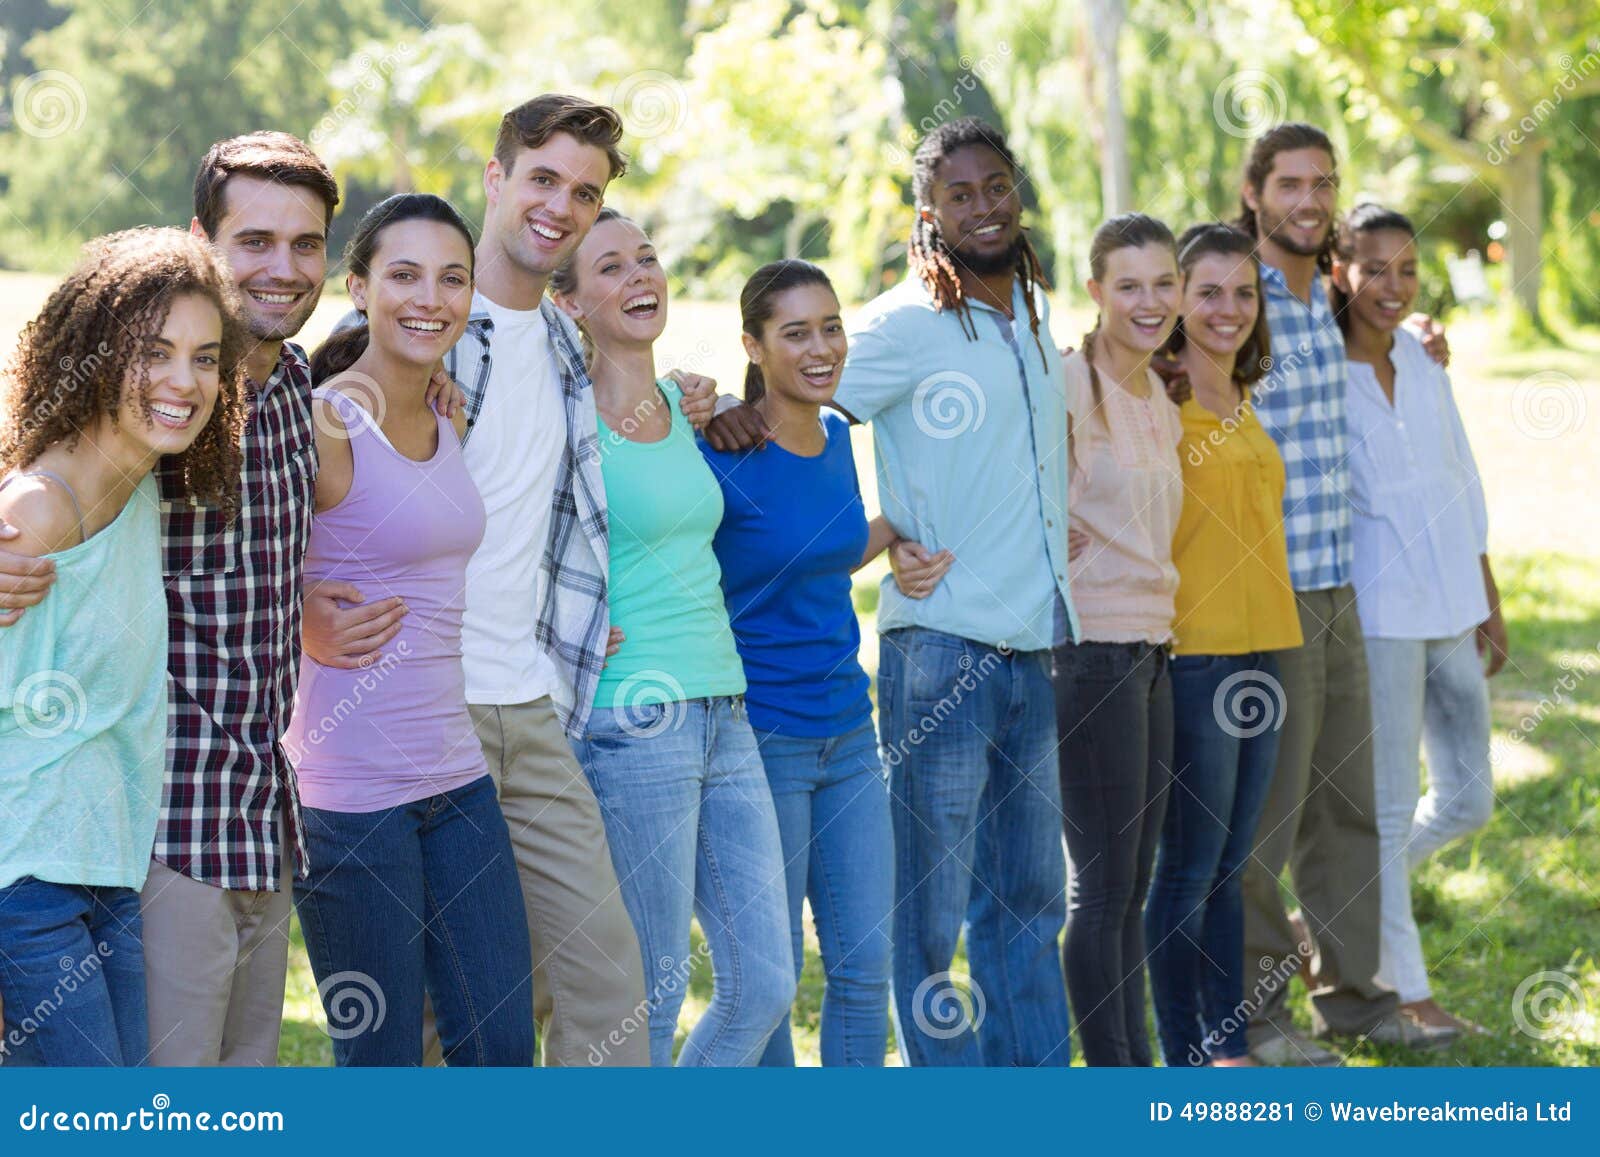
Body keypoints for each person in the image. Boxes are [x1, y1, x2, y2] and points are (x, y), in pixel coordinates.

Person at [304, 95, 717, 1067]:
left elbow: (593, 469)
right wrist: (301, 618)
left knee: (606, 979)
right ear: (496, 180)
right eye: (541, 179)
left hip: (528, 703)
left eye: (584, 192)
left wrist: (707, 398)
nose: (559, 206)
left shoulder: (570, 343)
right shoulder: (430, 328)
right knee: (442, 1019)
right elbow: (314, 476)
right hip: (410, 706)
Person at [707, 116, 1077, 1067]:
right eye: (960, 193)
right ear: (929, 212)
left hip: (1037, 640)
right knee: (925, 916)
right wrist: (736, 413)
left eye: (997, 184)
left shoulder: (1032, 308)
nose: (984, 205)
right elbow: (807, 377)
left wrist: (894, 530)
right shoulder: (905, 321)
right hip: (942, 648)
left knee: (1030, 900)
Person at [285, 194, 534, 1066]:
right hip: (350, 798)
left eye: (452, 277)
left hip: (457, 780)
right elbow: (233, 568)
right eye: (403, 275)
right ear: (357, 287)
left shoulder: (445, 413)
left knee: (501, 1047)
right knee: (382, 1063)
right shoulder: (326, 421)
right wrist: (299, 619)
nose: (430, 296)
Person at [1232, 122, 1455, 1062]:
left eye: (1323, 182)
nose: (1310, 198)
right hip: (1263, 593)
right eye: (1290, 182)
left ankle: (1358, 996)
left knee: (1349, 804)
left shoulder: (1324, 296)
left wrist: (1425, 339)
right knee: (1265, 818)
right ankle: (1258, 1014)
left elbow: (1381, 335)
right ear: (1252, 193)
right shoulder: (1230, 295)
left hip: (1338, 585)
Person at [551, 209, 794, 1066]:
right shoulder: (562, 420)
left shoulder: (681, 405)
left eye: (647, 258)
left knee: (764, 984)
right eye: (610, 268)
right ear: (571, 302)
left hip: (726, 706)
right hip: (630, 718)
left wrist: (717, 399)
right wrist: (562, 634)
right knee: (643, 998)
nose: (639, 276)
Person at [0, 228, 246, 1065]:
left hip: (106, 876)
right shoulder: (36, 514)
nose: (186, 381)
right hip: (22, 886)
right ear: (98, 350)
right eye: (156, 351)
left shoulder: (144, 487)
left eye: (206, 357)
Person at [702, 260, 920, 1066]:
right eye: (796, 332)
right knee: (769, 978)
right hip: (762, 742)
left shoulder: (835, 437)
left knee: (865, 970)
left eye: (831, 326)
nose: (822, 346)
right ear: (753, 346)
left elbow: (812, 557)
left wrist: (893, 530)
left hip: (849, 735)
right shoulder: (720, 450)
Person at [1332, 203, 1505, 1037]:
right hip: (1382, 614)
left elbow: (1459, 476)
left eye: (1406, 270)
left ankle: (1334, 913)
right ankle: (1406, 990)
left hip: (1452, 602)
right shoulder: (1324, 376)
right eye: (1374, 269)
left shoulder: (1425, 359)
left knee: (1470, 797)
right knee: (1391, 804)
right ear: (1341, 271)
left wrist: (1489, 593)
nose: (1392, 287)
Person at [1143, 223, 1302, 1067]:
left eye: (1244, 293)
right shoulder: (1157, 401)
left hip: (1268, 647)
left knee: (1234, 865)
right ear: (1176, 300)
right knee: (1188, 866)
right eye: (1208, 292)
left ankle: (1228, 1043)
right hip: (1195, 657)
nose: (1228, 309)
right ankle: (1185, 1054)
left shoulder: (1244, 398)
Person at [1056, 213, 1182, 1066]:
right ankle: (1117, 1079)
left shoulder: (1157, 398)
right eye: (1129, 285)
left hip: (1153, 651)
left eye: (1162, 283)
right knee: (1101, 889)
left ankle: (1136, 1068)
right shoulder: (1067, 382)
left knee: (1133, 883)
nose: (1150, 301)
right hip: (1091, 652)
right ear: (1097, 291)